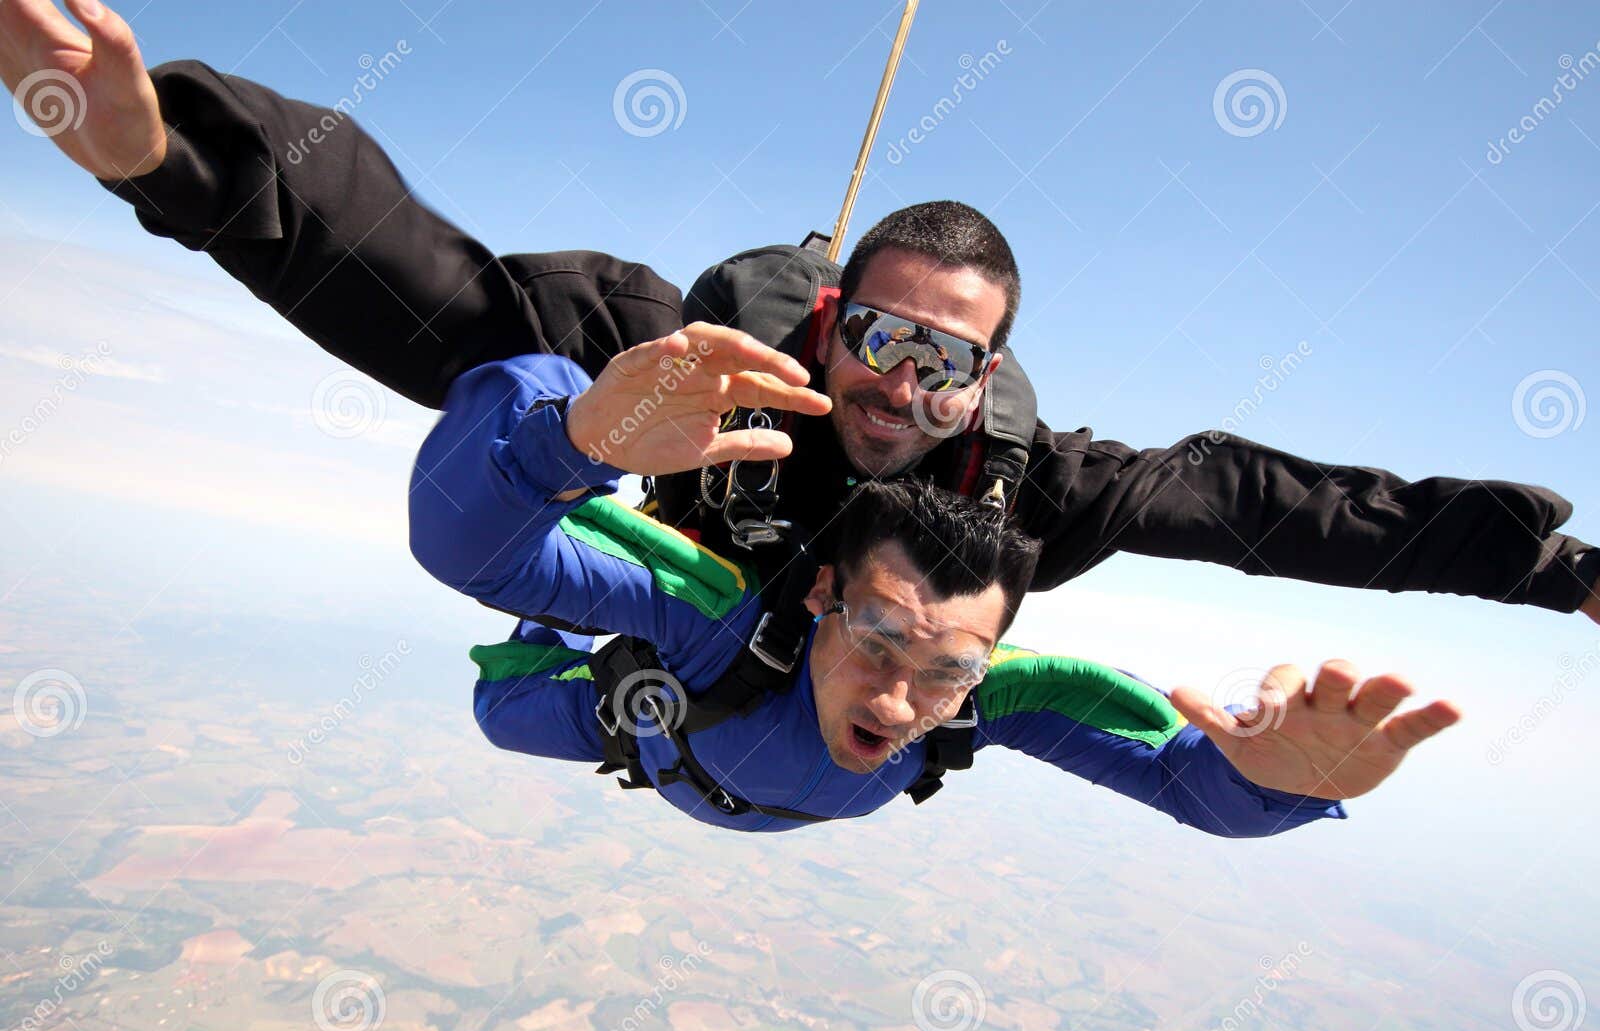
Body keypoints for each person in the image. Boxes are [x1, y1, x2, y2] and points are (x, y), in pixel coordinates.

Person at [5, 0, 1596, 624]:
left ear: (987, 378)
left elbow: (1280, 509)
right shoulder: (689, 354)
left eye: (949, 363)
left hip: (855, 691)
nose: (903, 388)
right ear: (830, 317)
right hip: (703, 638)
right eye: (883, 339)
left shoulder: (1022, 489)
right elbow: (427, 284)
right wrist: (166, 156)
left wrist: (1559, 575)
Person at [409, 322, 1462, 834]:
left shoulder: (995, 699)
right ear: (820, 597)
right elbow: (466, 547)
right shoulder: (708, 618)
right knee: (500, 706)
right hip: (639, 720)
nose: (900, 698)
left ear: (990, 658)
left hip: (685, 752)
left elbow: (1185, 785)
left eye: (951, 668)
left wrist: (1283, 784)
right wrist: (575, 432)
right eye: (877, 635)